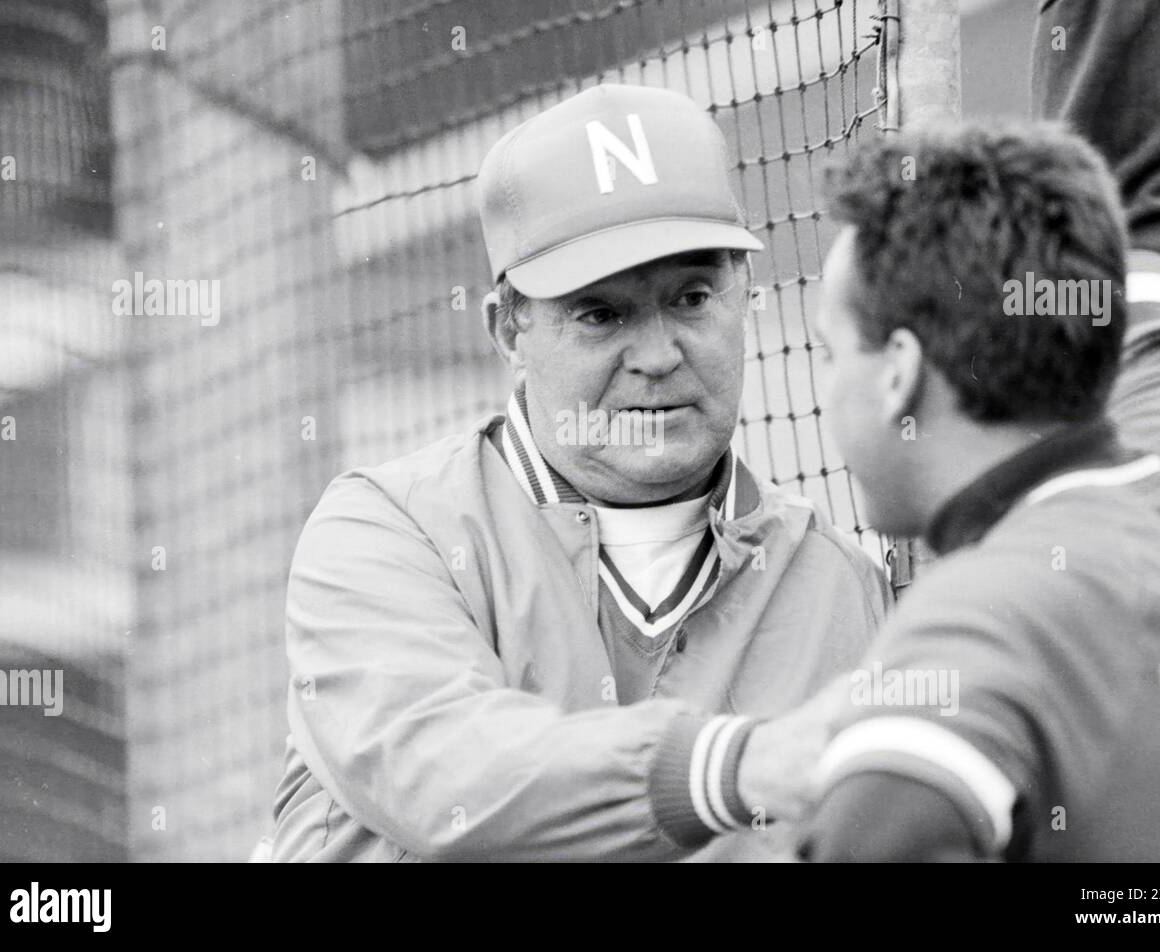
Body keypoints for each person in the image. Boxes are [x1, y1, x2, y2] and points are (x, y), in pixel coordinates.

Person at [269, 83, 886, 861]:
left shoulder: (839, 586)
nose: (659, 356)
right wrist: (728, 772)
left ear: (743, 296)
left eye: (692, 298)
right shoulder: (385, 534)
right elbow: (443, 778)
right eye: (601, 314)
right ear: (508, 330)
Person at [793, 0, 1160, 861]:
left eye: (831, 350)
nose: (824, 391)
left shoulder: (971, 639)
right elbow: (1138, 197)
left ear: (898, 369)